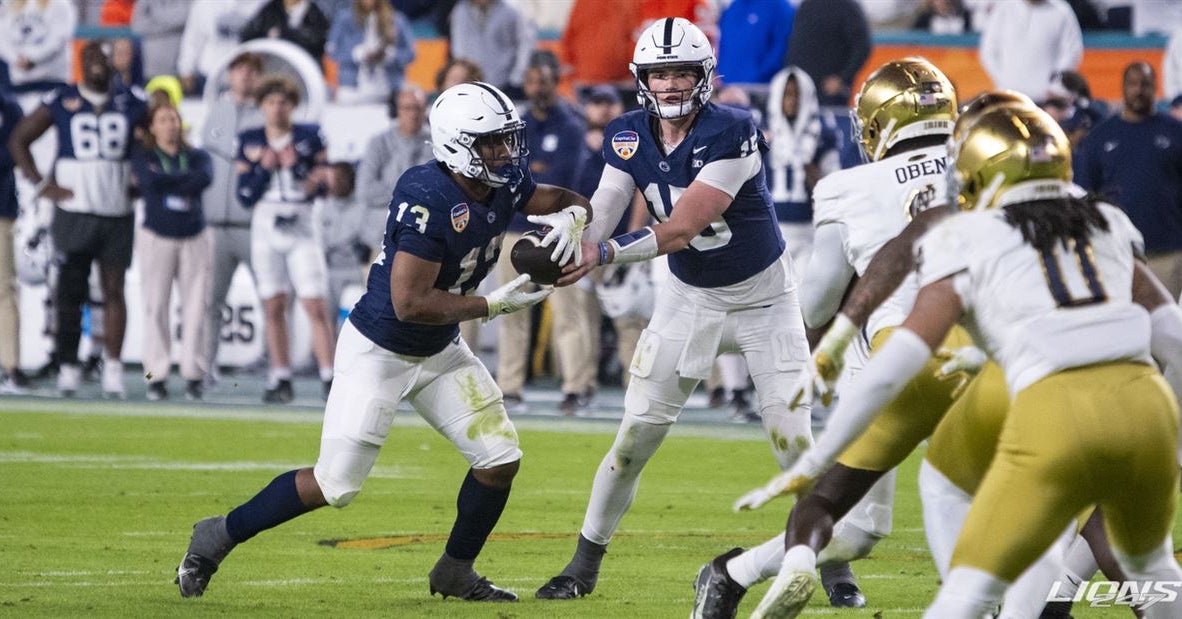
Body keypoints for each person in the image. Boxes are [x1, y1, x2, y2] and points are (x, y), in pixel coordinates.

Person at [743, 103, 1182, 619]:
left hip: (1055, 405)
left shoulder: (970, 234)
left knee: (956, 534)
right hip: (1148, 407)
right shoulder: (1107, 220)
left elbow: (900, 359)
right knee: (1151, 572)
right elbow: (1172, 334)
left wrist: (820, 458)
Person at [175, 80, 590, 604]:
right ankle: (218, 535)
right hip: (382, 348)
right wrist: (490, 305)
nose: (506, 153)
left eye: (508, 140)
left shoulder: (498, 180)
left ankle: (454, 572)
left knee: (499, 460)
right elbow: (409, 302)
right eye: (493, 143)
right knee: (336, 485)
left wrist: (575, 212)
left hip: (438, 348)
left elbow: (549, 196)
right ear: (458, 144)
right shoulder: (427, 194)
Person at [533, 17, 813, 602]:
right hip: (691, 300)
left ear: (704, 74)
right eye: (659, 73)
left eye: (681, 71)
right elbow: (607, 202)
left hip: (765, 298)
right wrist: (577, 230)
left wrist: (603, 253)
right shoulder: (628, 133)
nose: (669, 85)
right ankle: (582, 566)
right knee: (634, 437)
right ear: (642, 78)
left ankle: (832, 568)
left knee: (794, 443)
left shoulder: (733, 129)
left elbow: (683, 227)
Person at [691, 58, 961, 617]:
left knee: (860, 527)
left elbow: (817, 298)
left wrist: (821, 352)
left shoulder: (851, 186)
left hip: (886, 355)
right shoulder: (982, 161)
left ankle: (733, 573)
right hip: (980, 349)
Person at [8, 41, 147, 398]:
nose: (98, 64)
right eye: (91, 58)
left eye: (103, 57)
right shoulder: (61, 99)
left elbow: (156, 141)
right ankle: (68, 365)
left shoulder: (132, 101)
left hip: (116, 209)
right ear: (81, 63)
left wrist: (143, 180)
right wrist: (41, 185)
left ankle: (112, 367)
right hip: (73, 210)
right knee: (70, 291)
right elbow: (19, 139)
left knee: (114, 290)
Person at [495, 54, 595, 415]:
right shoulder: (516, 125)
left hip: (559, 230)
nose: (537, 87)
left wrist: (535, 178)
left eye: (544, 80)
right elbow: (512, 174)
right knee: (509, 309)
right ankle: (509, 386)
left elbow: (562, 178)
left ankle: (576, 386)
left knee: (567, 311)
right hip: (517, 229)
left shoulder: (571, 124)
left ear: (556, 81)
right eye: (532, 80)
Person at [236, 75, 337, 402]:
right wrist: (264, 169)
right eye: (271, 102)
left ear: (292, 105)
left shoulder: (310, 137)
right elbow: (245, 194)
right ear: (262, 106)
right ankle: (280, 375)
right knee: (273, 303)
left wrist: (295, 169)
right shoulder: (250, 139)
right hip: (266, 222)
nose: (277, 108)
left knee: (314, 302)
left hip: (301, 219)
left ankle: (329, 376)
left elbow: (323, 186)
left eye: (283, 102)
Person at [1074, 62, 1182, 297]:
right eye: (1133, 84)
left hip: (1168, 253)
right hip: (1117, 254)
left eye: (1145, 84)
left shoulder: (1176, 132)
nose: (1139, 90)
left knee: (1166, 328)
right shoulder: (1099, 138)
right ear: (1123, 87)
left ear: (1156, 87)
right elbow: (1084, 197)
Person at [131, 103, 214, 401]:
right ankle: (156, 375)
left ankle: (194, 374)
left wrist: (169, 183)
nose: (170, 125)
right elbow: (150, 183)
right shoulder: (145, 156)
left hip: (194, 235)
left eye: (174, 119)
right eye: (163, 120)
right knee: (156, 307)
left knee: (196, 307)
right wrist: (182, 183)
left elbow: (204, 178)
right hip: (158, 235)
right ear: (152, 127)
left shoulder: (196, 155)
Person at [202, 52, 265, 386]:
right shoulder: (215, 110)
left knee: (270, 295)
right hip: (215, 224)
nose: (244, 77)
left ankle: (273, 365)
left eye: (251, 71)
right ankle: (204, 365)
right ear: (230, 74)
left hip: (252, 225)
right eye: (240, 70)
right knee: (210, 300)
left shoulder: (263, 115)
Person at [763, 66, 840, 287]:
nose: (792, 100)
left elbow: (831, 188)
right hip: (769, 233)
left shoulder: (821, 131)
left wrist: (807, 165)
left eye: (797, 94)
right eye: (786, 94)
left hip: (807, 233)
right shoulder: (761, 129)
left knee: (804, 304)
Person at [978, 0, 1082, 101]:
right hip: (1008, 98)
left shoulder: (1062, 11)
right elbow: (989, 52)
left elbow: (1071, 52)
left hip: (1046, 100)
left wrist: (1056, 87)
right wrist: (1004, 82)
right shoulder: (1003, 9)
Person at [327, 0, 416, 105]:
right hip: (351, 87)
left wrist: (389, 55)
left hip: (389, 88)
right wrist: (357, 54)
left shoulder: (397, 20)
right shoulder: (344, 20)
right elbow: (332, 51)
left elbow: (410, 53)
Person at [176, 0, 267, 95]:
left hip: (249, 79)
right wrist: (186, 70)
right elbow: (193, 40)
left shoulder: (263, 3)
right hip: (209, 75)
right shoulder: (204, 3)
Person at [448, 0, 534, 97]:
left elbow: (525, 45)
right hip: (472, 85)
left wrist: (516, 78)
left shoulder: (512, 10)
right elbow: (458, 48)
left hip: (506, 84)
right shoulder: (460, 11)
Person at [317, 161, 367, 321]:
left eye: (341, 178)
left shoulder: (363, 207)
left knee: (355, 320)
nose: (336, 183)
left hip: (356, 270)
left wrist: (337, 244)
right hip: (329, 271)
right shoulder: (321, 206)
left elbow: (362, 239)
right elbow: (320, 240)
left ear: (352, 179)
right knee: (325, 319)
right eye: (333, 179)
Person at [0, 88, 25, 393]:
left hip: (1, 206)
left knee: (4, 288)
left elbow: (13, 152)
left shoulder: (9, 108)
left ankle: (11, 366)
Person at [716, 0, 795, 86]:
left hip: (759, 90)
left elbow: (780, 49)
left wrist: (758, 77)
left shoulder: (780, 7)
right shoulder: (732, 7)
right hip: (725, 89)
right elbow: (723, 46)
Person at [240, 0, 330, 67]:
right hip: (271, 66)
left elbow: (318, 41)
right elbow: (247, 36)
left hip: (303, 68)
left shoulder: (314, 13)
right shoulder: (271, 8)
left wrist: (283, 35)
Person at [130, 0, 189, 80]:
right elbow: (137, 27)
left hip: (179, 67)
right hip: (152, 67)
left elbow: (185, 17)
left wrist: (154, 16)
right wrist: (172, 27)